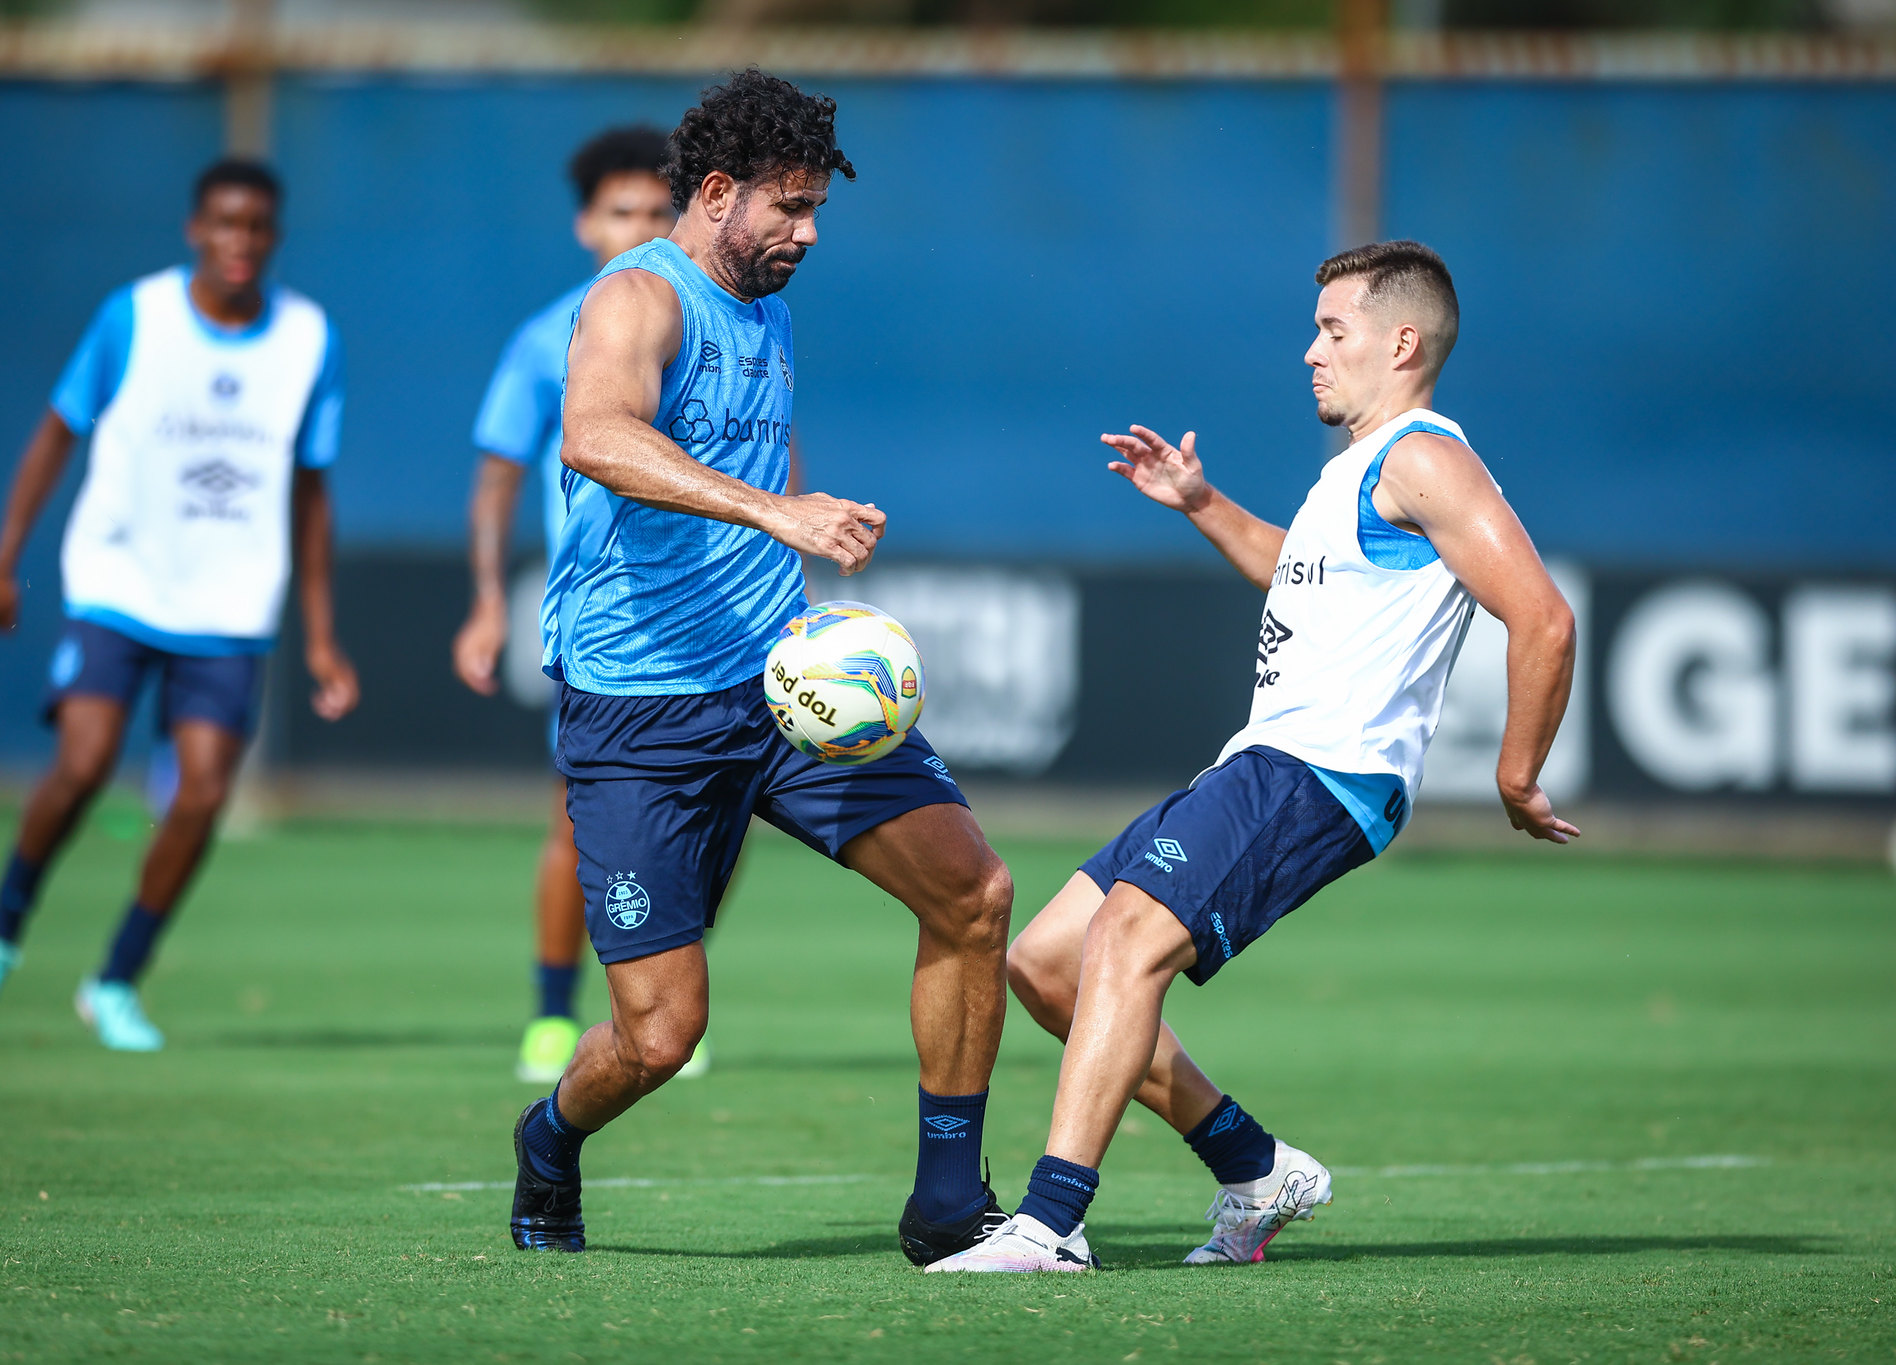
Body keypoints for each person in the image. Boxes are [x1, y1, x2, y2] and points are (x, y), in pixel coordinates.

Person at [928, 240, 1580, 1273]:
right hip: (1263, 759)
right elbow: (1297, 575)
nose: (1309, 352)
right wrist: (1199, 502)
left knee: (1124, 943)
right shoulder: (1356, 470)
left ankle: (1049, 1226)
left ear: (1400, 341)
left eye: (1332, 330)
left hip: (1324, 770)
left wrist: (1514, 774)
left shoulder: (1425, 455)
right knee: (1047, 963)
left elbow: (1540, 617)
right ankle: (1252, 1166)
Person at [506, 70, 1014, 1266]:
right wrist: (774, 512)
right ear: (718, 192)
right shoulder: (637, 298)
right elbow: (596, 436)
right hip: (638, 714)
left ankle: (947, 1202)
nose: (808, 233)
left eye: (817, 208)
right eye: (788, 207)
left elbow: (753, 460)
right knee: (658, 1038)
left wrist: (800, 544)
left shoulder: (767, 301)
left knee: (973, 896)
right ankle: (547, 1138)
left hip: (780, 691)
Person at [0, 158, 359, 1052]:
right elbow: (57, 433)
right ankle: (0, 929)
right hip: (118, 582)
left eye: (256, 227)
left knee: (202, 796)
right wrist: (5, 559)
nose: (238, 242)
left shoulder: (309, 337)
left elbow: (310, 494)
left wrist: (321, 635)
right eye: (223, 224)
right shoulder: (134, 317)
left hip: (232, 603)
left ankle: (116, 979)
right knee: (84, 763)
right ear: (193, 230)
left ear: (273, 237)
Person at [451, 126, 687, 1086]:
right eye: (622, 211)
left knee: (711, 823)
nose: (640, 228)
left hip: (712, 622)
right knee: (575, 822)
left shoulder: (710, 319)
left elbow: (768, 452)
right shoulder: (548, 337)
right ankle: (553, 1013)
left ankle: (666, 1000)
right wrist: (484, 603)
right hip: (609, 625)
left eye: (657, 211)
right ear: (588, 223)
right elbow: (498, 479)